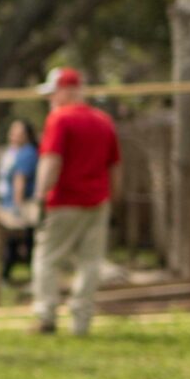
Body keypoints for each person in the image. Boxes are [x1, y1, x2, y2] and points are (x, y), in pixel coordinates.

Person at [29, 66, 121, 335]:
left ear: (67, 90)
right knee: (89, 262)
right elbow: (115, 167)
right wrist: (112, 198)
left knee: (47, 259)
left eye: (53, 93)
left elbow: (51, 161)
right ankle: (81, 323)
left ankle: (46, 316)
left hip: (63, 202)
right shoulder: (104, 120)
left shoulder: (59, 119)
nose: (50, 99)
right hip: (98, 202)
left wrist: (40, 195)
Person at [0, 118, 39, 282]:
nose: (13, 135)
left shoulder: (27, 152)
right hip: (8, 203)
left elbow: (20, 180)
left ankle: (27, 277)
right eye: (12, 132)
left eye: (18, 133)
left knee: (23, 241)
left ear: (27, 135)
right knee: (14, 242)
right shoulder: (12, 151)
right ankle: (7, 275)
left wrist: (17, 206)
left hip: (21, 205)